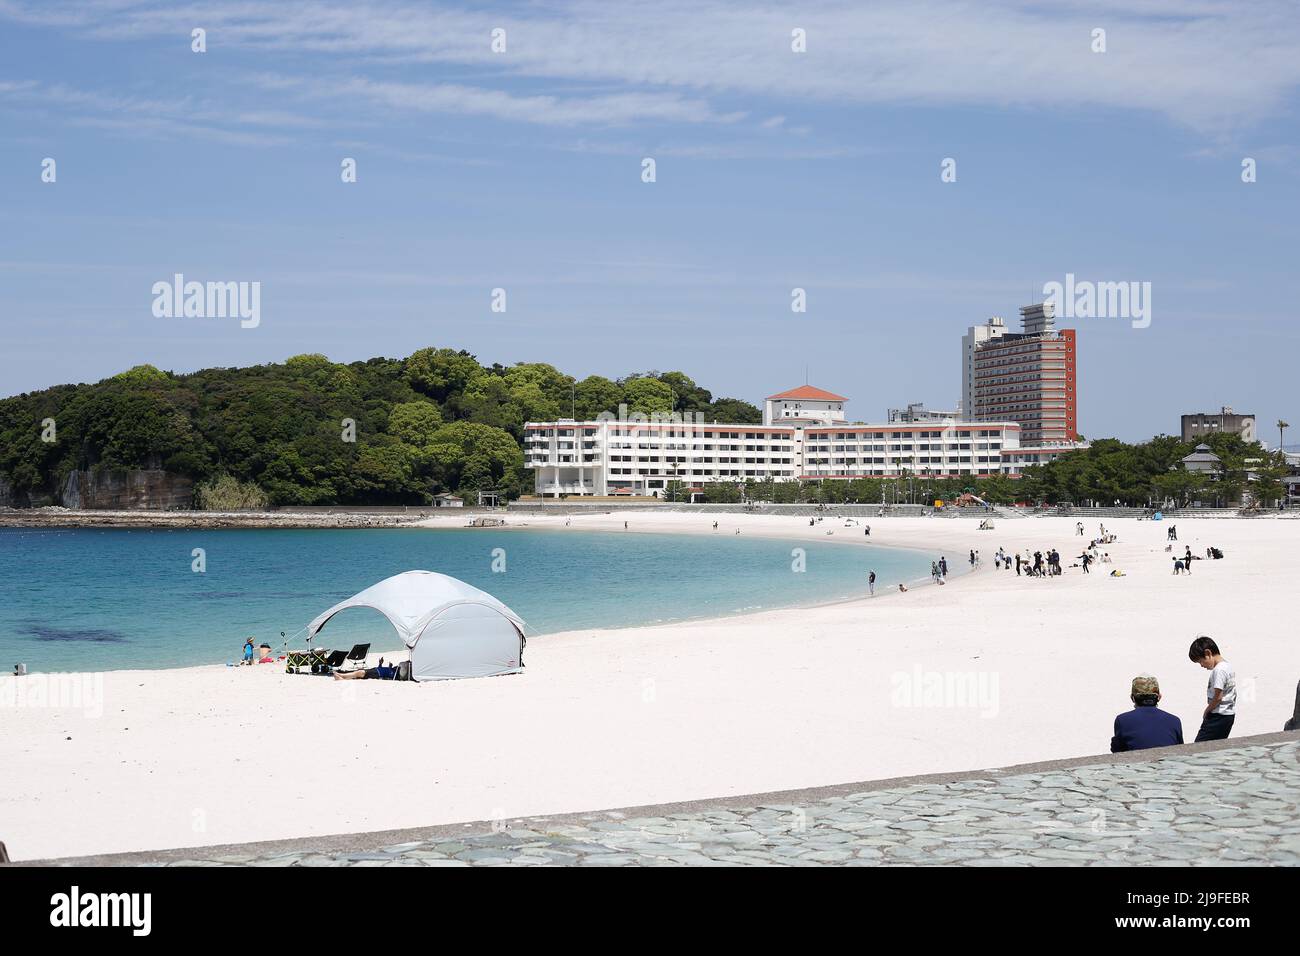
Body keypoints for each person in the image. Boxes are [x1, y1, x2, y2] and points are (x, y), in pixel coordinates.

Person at [1110, 675, 1184, 752]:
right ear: (1159, 697)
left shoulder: (1122, 720)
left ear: (1132, 698)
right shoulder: (1174, 721)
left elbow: (1118, 754)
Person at [1189, 636, 1235, 741]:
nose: (1201, 665)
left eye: (1200, 661)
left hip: (1218, 716)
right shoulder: (1227, 666)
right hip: (1227, 715)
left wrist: (1207, 710)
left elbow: (1218, 697)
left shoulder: (1219, 670)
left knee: (1199, 747)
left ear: (1208, 653)